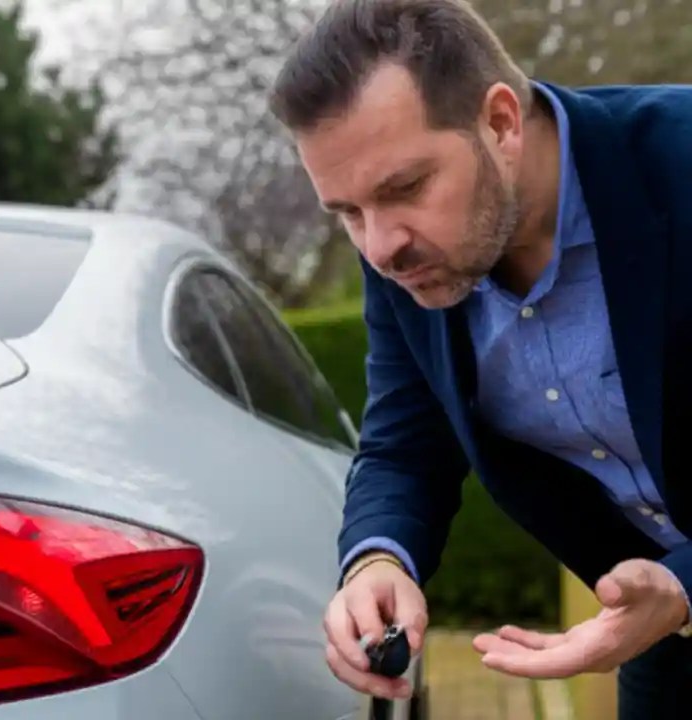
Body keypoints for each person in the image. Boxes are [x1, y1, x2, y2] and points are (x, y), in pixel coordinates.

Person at [266, 1, 692, 716]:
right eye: (346, 212)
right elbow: (404, 445)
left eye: (403, 188)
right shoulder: (406, 254)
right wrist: (378, 560)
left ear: (500, 122)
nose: (379, 246)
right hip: (663, 634)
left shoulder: (678, 160)